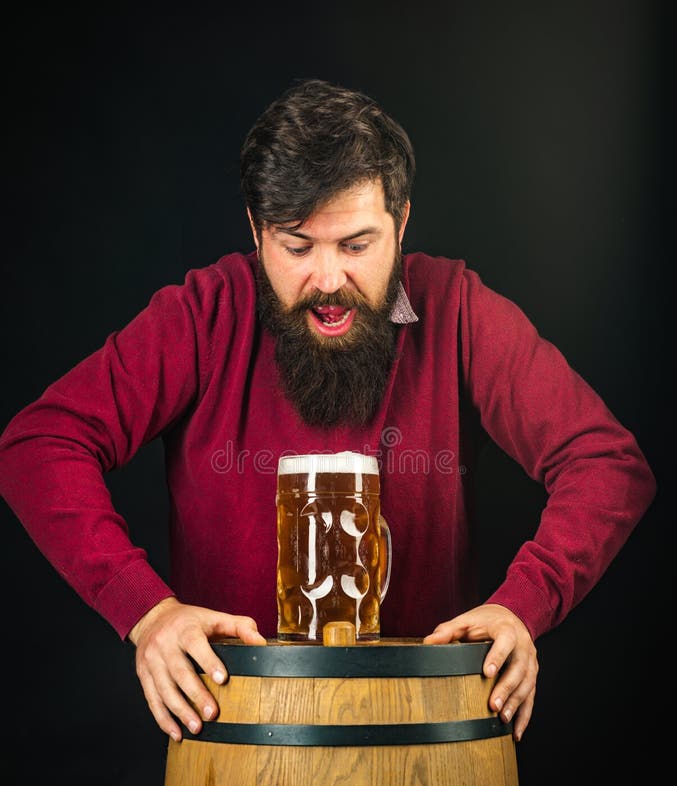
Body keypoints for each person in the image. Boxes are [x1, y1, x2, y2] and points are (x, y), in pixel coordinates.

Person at [0, 78, 655, 746]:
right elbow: (40, 443)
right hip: (233, 741)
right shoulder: (204, 315)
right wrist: (147, 612)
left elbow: (606, 463)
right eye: (296, 246)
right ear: (255, 232)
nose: (328, 280)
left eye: (356, 245)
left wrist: (523, 605)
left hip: (428, 743)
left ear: (400, 226)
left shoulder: (453, 309)